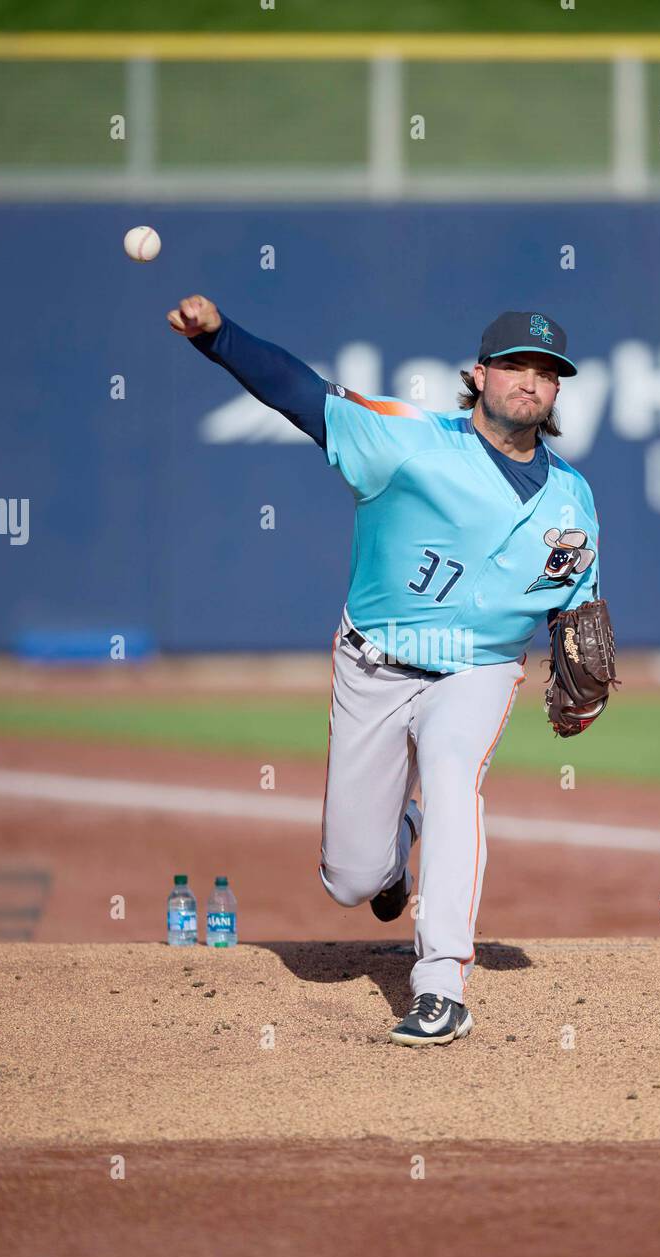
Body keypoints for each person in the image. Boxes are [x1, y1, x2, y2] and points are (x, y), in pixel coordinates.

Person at [168, 298, 600, 1046]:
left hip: (479, 671)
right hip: (374, 663)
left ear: (558, 392)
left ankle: (442, 987)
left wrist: (574, 650)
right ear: (479, 375)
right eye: (516, 366)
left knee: (456, 776)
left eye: (547, 372)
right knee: (352, 880)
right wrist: (219, 337)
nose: (531, 381)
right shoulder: (405, 441)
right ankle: (399, 841)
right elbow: (300, 393)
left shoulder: (574, 497)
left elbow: (576, 605)